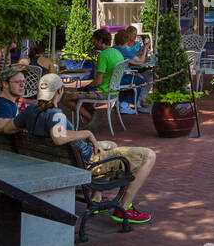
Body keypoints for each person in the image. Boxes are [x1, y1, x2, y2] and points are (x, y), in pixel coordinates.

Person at [21, 74, 155, 224]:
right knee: (149, 156)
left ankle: (96, 201)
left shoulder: (31, 110)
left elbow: (4, 126)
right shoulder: (56, 115)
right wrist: (86, 133)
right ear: (60, 91)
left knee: (110, 145)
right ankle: (124, 208)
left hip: (57, 160)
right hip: (88, 164)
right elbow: (58, 137)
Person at [77, 27, 132, 114]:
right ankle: (93, 115)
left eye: (94, 40)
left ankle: (91, 117)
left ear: (100, 41)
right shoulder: (117, 53)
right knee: (79, 94)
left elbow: (98, 82)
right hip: (114, 92)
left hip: (103, 93)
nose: (93, 43)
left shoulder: (103, 55)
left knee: (68, 97)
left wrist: (84, 88)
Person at [113, 27, 151, 111]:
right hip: (121, 77)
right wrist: (145, 49)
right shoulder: (124, 51)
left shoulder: (113, 49)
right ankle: (125, 104)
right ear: (126, 40)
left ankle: (120, 102)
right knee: (138, 80)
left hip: (111, 78)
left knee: (144, 77)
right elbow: (140, 61)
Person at [0, 64, 27, 131]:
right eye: (18, 82)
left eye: (23, 81)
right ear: (5, 84)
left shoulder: (0, 98)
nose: (22, 85)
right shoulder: (4, 105)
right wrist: (24, 122)